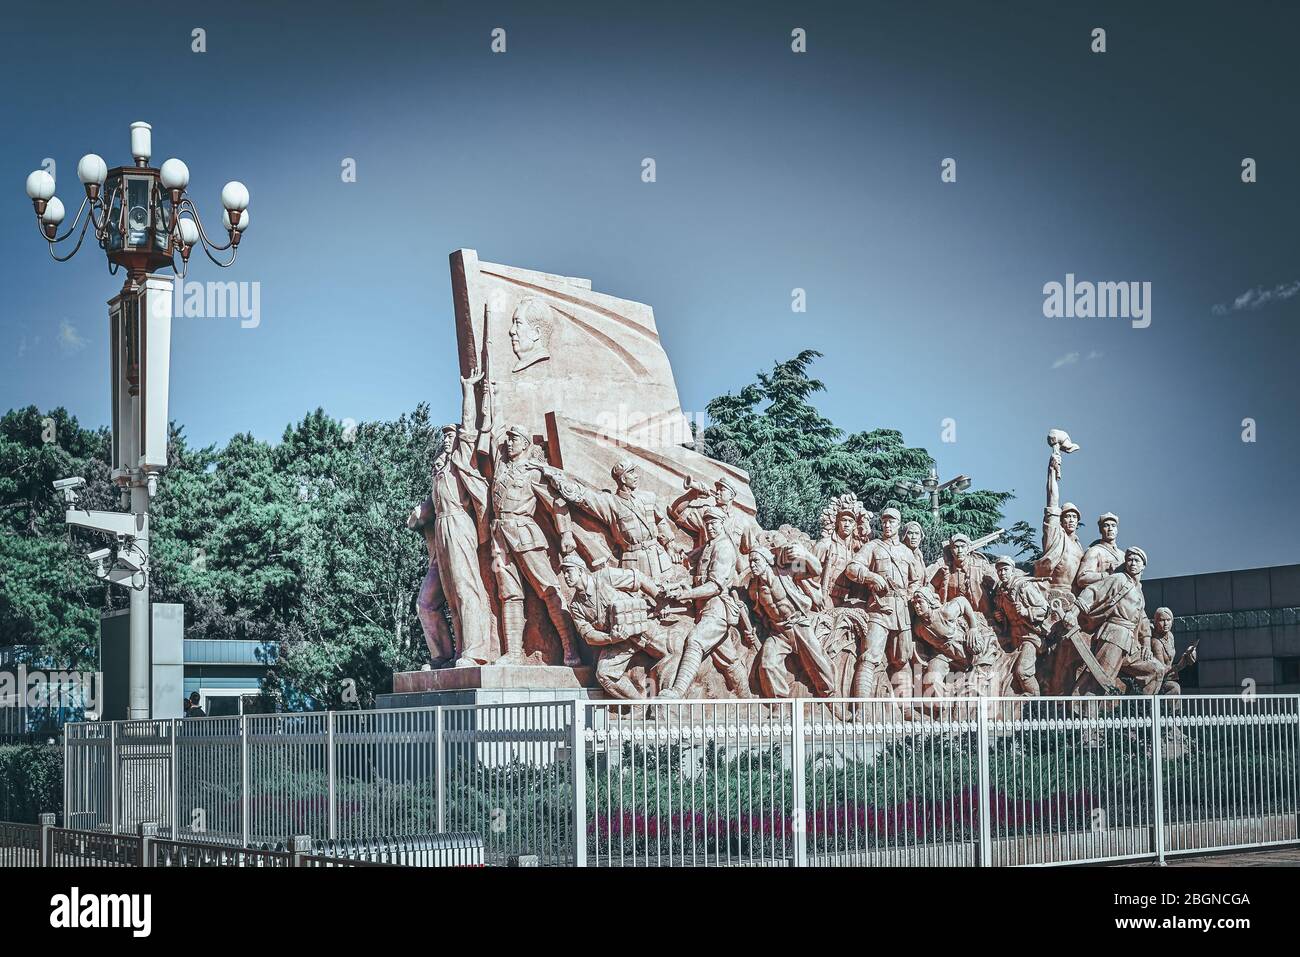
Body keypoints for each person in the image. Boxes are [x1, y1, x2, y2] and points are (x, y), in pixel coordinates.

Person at [658, 507, 755, 698]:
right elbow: (691, 566)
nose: (710, 527)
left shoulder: (724, 547)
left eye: (714, 523)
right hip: (704, 607)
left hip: (717, 608)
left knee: (695, 640)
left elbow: (715, 586)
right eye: (707, 524)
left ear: (722, 524)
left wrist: (687, 594)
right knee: (728, 659)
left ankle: (676, 693)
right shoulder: (710, 545)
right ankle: (748, 700)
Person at [562, 553, 675, 699]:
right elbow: (588, 635)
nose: (565, 576)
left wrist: (660, 602)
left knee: (671, 652)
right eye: (564, 573)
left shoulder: (605, 576)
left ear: (580, 570)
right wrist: (611, 638)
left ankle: (669, 698)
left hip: (641, 627)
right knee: (604, 674)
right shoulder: (575, 606)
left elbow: (638, 578)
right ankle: (638, 705)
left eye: (568, 571)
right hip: (619, 641)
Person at [844, 507, 923, 698]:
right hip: (879, 608)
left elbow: (916, 579)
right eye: (884, 521)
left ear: (898, 524)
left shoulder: (907, 552)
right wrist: (871, 577)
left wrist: (908, 595)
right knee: (869, 657)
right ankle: (861, 706)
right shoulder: (873, 547)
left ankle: (905, 709)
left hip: (902, 612)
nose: (887, 525)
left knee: (902, 660)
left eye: (891, 521)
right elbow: (852, 568)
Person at [746, 542, 837, 699]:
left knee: (818, 662)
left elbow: (815, 570)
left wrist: (805, 555)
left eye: (756, 561)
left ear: (766, 560)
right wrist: (754, 629)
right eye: (750, 562)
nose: (752, 565)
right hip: (778, 632)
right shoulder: (754, 589)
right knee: (767, 664)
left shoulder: (786, 572)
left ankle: (830, 697)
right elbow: (758, 615)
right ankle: (779, 704)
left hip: (798, 625)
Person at [1069, 546, 1165, 695]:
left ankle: (1141, 708)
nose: (1132, 563)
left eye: (1137, 560)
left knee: (1156, 670)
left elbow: (1143, 619)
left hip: (1132, 644)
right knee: (1100, 680)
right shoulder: (1119, 579)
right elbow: (1093, 592)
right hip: (1115, 637)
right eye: (1129, 560)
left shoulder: (1138, 590)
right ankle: (1079, 708)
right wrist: (1072, 613)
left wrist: (1146, 644)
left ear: (1143, 566)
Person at [1074, 512, 1123, 593]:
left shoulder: (1123, 555)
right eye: (1106, 525)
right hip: (1102, 596)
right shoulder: (1094, 551)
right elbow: (1082, 578)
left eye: (1113, 525)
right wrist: (1108, 574)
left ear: (1117, 529)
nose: (1110, 529)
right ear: (1100, 530)